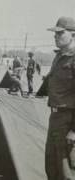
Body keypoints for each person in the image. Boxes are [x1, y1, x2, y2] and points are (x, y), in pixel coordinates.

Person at [45, 16, 75, 180]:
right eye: (55, 34)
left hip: (68, 120)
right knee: (52, 166)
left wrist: (74, 130)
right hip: (55, 117)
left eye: (60, 33)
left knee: (66, 171)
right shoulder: (59, 56)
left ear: (73, 34)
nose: (55, 37)